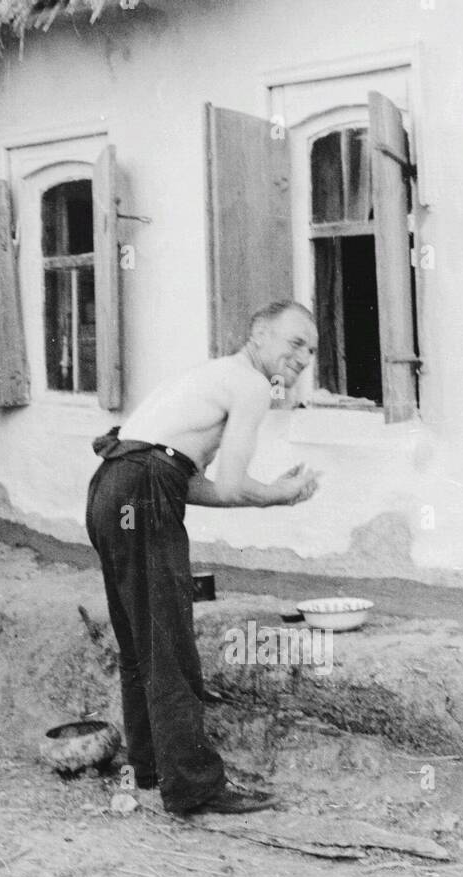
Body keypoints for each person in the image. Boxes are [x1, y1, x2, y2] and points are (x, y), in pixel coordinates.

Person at [85, 300, 320, 816]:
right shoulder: (252, 384)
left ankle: (149, 768)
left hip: (113, 487)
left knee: (140, 642)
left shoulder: (214, 375)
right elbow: (232, 485)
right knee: (170, 644)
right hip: (141, 489)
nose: (304, 358)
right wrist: (281, 495)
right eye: (295, 342)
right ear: (258, 334)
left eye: (312, 350)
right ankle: (194, 788)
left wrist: (268, 492)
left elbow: (186, 480)